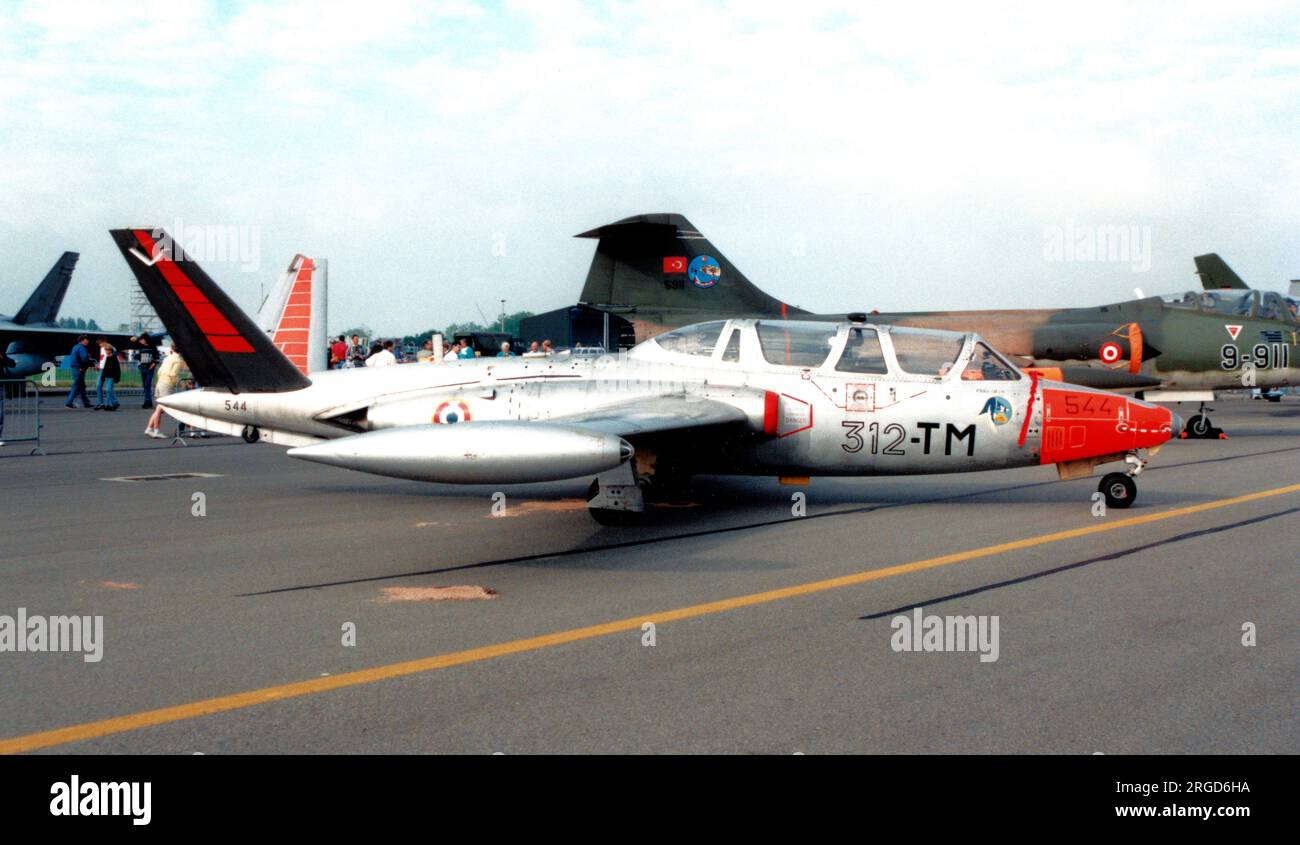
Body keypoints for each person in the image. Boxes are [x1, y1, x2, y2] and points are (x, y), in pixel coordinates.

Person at [145, 345, 186, 438]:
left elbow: (159, 371)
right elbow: (173, 374)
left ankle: (149, 428)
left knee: (159, 408)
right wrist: (180, 383)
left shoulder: (168, 358)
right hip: (167, 384)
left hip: (160, 382)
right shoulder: (178, 360)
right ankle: (156, 430)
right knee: (161, 408)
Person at [64, 335, 93, 408]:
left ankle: (86, 403)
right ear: (82, 340)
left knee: (81, 387)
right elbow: (84, 359)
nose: (88, 341)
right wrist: (91, 362)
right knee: (76, 386)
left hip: (76, 368)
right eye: (86, 340)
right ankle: (69, 402)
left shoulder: (75, 347)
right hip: (79, 369)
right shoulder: (81, 348)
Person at [96, 340, 122, 410]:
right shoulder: (107, 357)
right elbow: (104, 368)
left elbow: (117, 368)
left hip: (111, 376)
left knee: (109, 390)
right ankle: (109, 404)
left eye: (107, 350)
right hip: (107, 374)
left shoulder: (113, 357)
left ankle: (113, 403)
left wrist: (117, 377)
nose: (106, 352)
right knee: (108, 389)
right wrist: (103, 376)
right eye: (105, 350)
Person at [135, 334, 159, 408]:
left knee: (147, 385)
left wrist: (153, 364)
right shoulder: (140, 348)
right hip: (142, 368)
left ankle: (147, 401)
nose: (140, 341)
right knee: (145, 386)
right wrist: (139, 365)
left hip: (150, 369)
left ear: (145, 339)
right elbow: (138, 358)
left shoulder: (153, 347)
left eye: (142, 339)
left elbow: (157, 357)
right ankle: (148, 401)